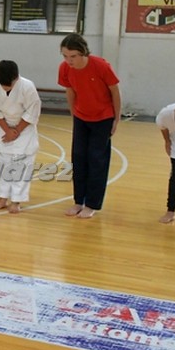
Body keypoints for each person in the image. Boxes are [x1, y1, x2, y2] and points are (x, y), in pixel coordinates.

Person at [58, 33, 121, 219]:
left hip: (103, 118)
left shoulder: (101, 66)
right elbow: (70, 92)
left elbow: (115, 92)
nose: (69, 60)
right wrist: (74, 114)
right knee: (78, 158)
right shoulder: (65, 68)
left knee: (97, 160)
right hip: (81, 118)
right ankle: (79, 201)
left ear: (83, 52)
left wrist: (116, 119)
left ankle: (92, 204)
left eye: (73, 56)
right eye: (65, 56)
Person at [0, 60, 41, 214]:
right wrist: (7, 131)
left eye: (9, 85)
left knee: (21, 167)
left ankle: (16, 200)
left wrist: (16, 131)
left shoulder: (27, 86)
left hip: (24, 128)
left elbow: (32, 112)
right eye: (2, 84)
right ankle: (2, 198)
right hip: (3, 128)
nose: (5, 88)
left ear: (16, 77)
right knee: (2, 165)